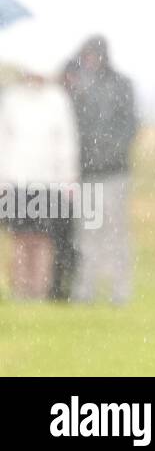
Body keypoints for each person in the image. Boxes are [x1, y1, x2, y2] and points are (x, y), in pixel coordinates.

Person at [63, 36, 137, 305]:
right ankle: (85, 290)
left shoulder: (121, 86)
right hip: (88, 174)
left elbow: (127, 127)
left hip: (114, 173)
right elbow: (73, 127)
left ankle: (120, 292)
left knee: (116, 233)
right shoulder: (79, 86)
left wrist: (106, 153)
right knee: (87, 234)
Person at [0, 66, 79, 300]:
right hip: (17, 181)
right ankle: (21, 289)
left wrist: (68, 177)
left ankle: (39, 290)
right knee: (21, 237)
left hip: (48, 182)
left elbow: (66, 142)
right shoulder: (12, 99)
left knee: (43, 239)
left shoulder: (58, 101)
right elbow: (3, 140)